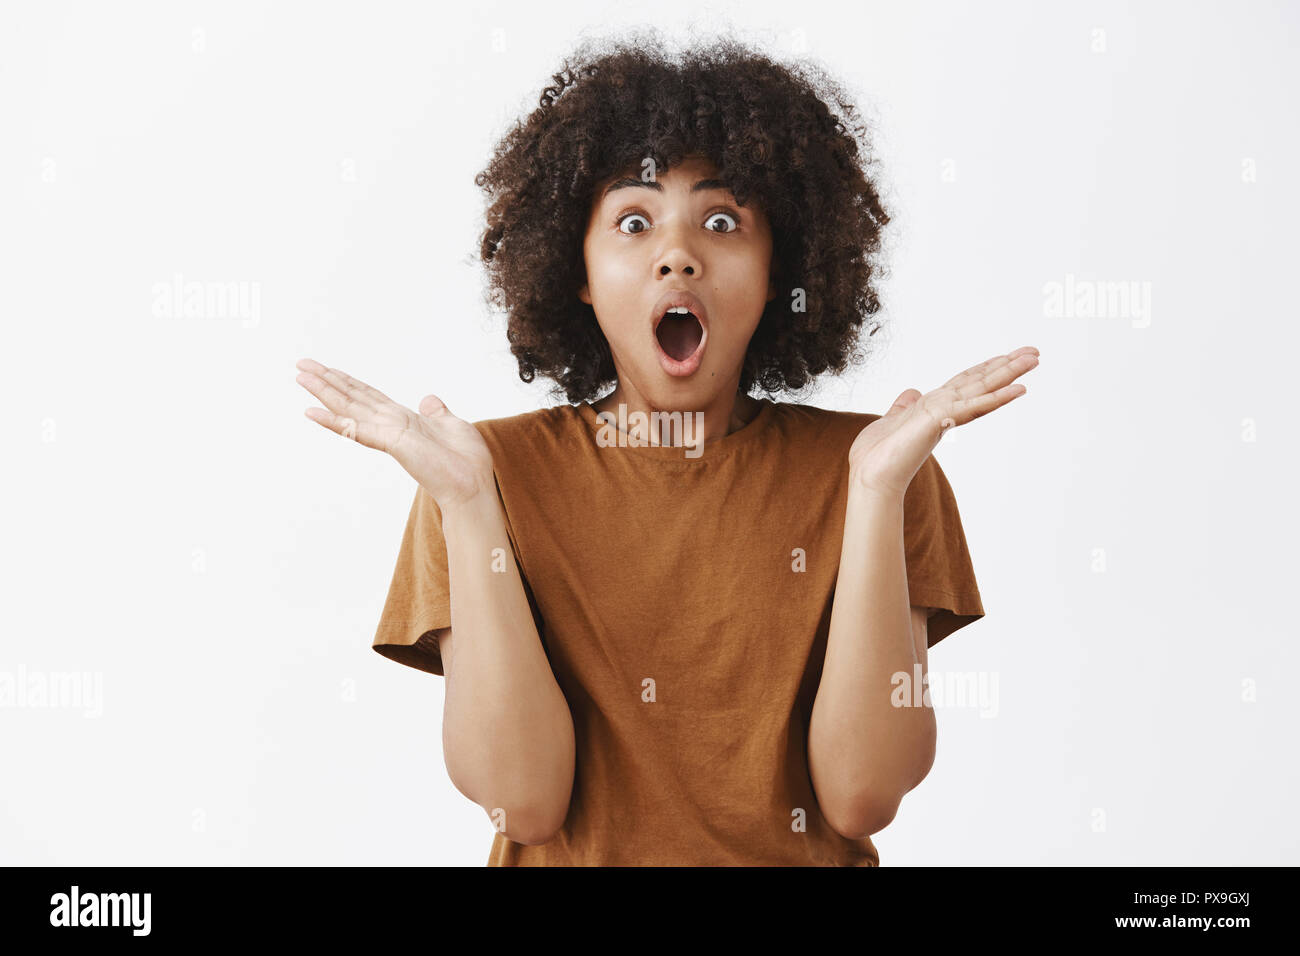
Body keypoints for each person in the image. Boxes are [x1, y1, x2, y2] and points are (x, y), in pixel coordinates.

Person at [293, 32, 1039, 865]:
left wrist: (869, 499)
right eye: (633, 221)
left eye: (722, 222)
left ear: (773, 267)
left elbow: (863, 794)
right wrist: (471, 510)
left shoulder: (884, 466)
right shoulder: (473, 472)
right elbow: (524, 804)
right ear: (576, 269)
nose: (677, 254)